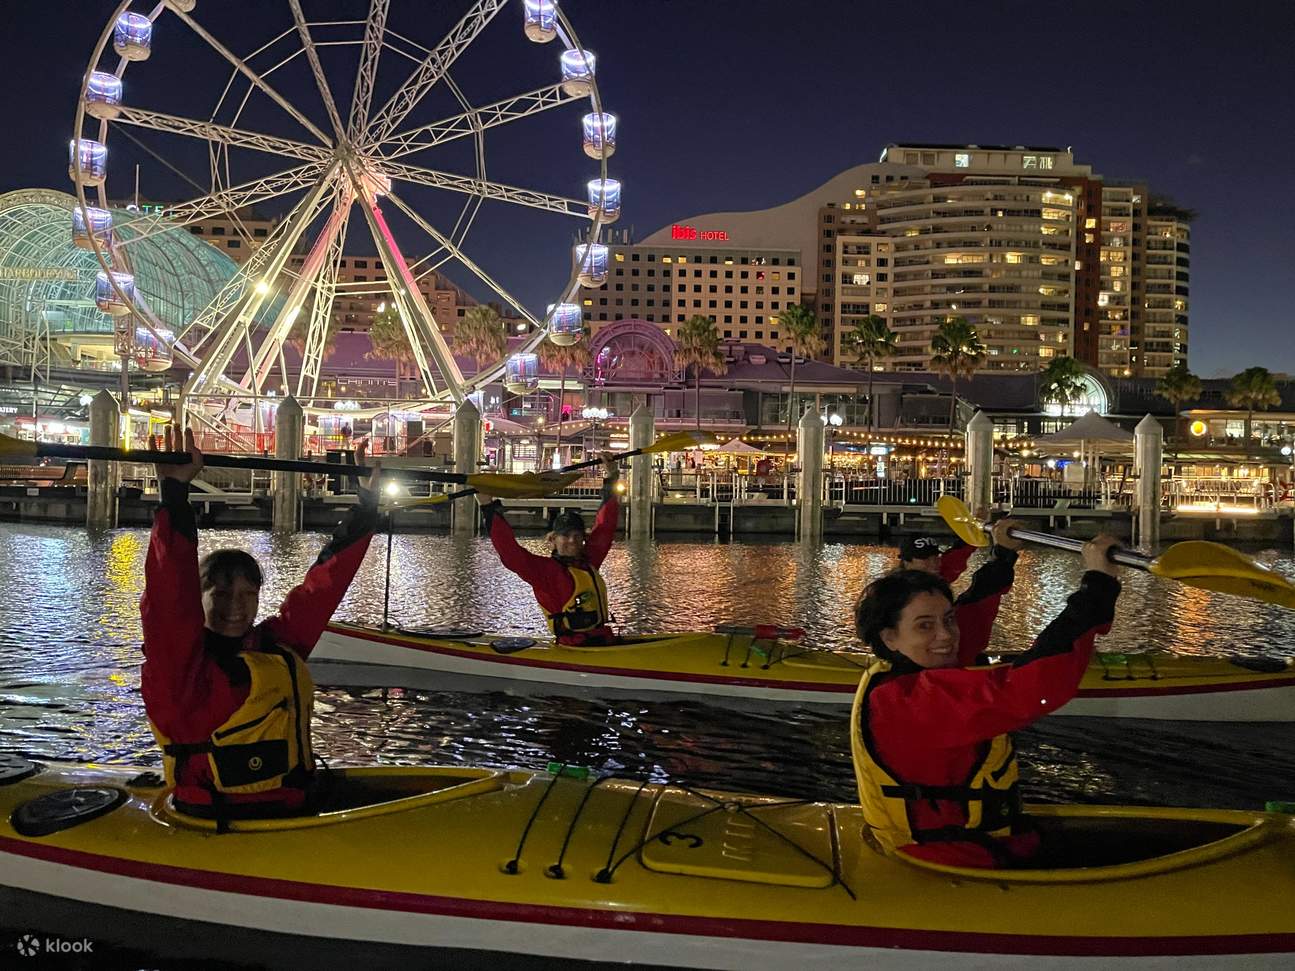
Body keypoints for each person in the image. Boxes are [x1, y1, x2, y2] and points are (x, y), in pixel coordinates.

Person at [140, 426, 381, 822]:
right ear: (198, 599)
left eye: (247, 594)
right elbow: (168, 593)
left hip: (295, 806)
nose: (235, 607)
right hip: (221, 823)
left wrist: (367, 506)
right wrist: (174, 497)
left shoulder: (273, 645)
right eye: (219, 594)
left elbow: (323, 587)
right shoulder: (179, 675)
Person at [851, 535, 1122, 869]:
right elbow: (1027, 687)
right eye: (925, 626)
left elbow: (973, 614)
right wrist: (1096, 588)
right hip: (952, 856)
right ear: (888, 637)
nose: (946, 635)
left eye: (947, 620)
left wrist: (1004, 555)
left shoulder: (906, 665)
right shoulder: (906, 700)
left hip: (982, 842)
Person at [476, 452, 621, 646]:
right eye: (565, 536)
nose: (572, 541)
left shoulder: (588, 561)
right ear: (552, 539)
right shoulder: (544, 572)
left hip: (604, 640)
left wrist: (611, 477)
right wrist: (488, 506)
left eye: (577, 536)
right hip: (573, 647)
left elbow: (605, 526)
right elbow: (510, 552)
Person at [898, 521, 1024, 666]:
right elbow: (983, 592)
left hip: (928, 661)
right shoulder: (898, 597)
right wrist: (1003, 553)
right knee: (976, 606)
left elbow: (954, 558)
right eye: (925, 558)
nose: (933, 563)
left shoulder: (921, 578)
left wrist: (974, 528)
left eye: (935, 557)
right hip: (953, 664)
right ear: (906, 563)